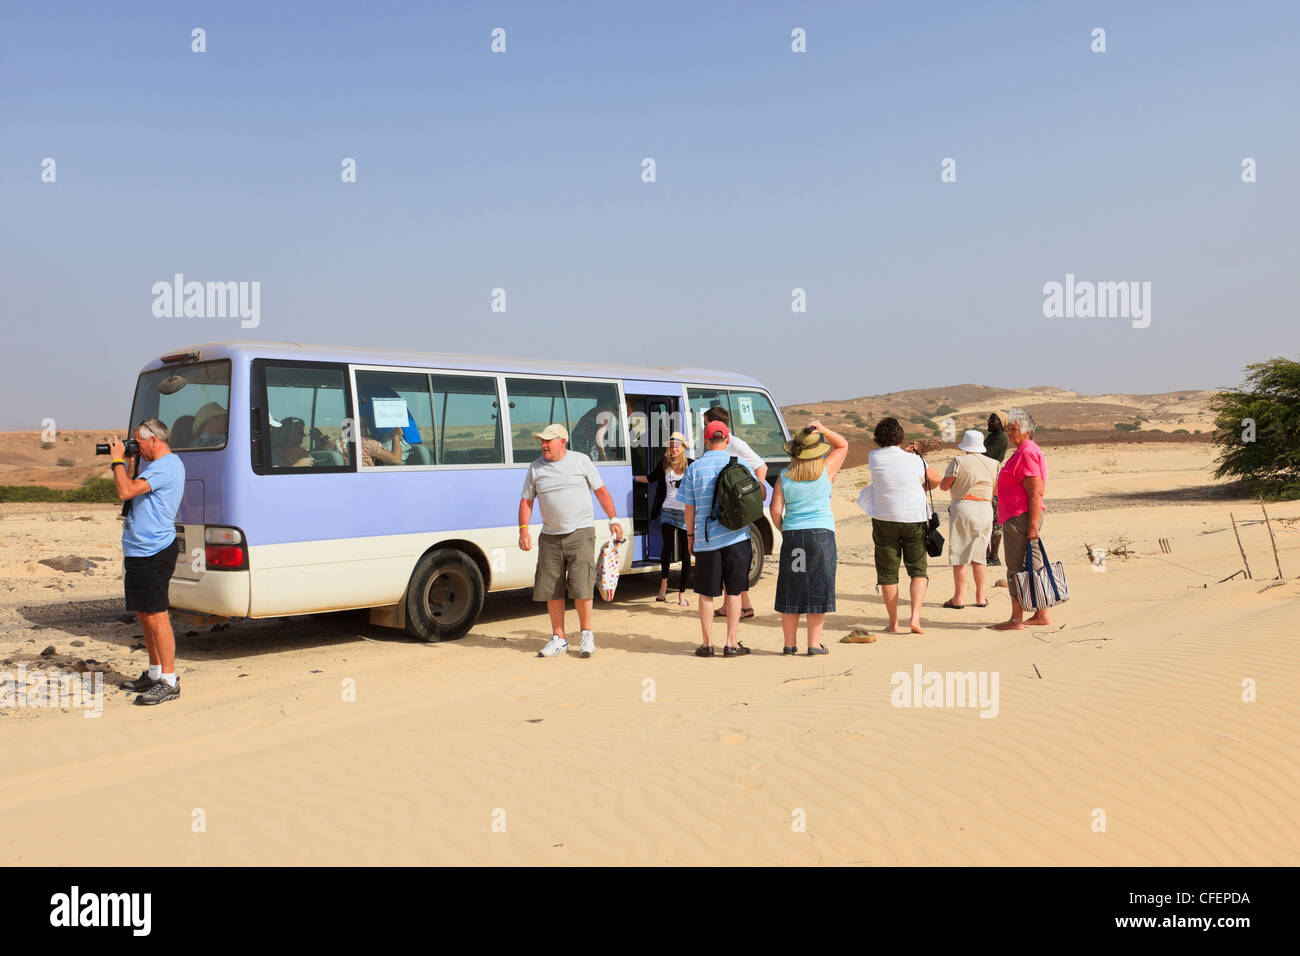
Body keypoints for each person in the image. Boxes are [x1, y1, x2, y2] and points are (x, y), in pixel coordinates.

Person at [518, 424, 623, 658]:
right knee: (551, 589)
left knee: (582, 586)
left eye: (548, 441)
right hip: (550, 537)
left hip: (580, 533)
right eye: (542, 441)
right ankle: (559, 639)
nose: (544, 445)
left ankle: (586, 634)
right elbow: (527, 501)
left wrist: (613, 519)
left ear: (562, 441)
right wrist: (523, 530)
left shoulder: (581, 461)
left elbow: (601, 492)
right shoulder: (535, 467)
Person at [107, 419, 186, 705]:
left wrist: (116, 460)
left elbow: (124, 492)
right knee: (145, 614)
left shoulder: (166, 465)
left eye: (139, 444)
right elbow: (130, 491)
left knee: (157, 614)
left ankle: (169, 681)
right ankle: (154, 674)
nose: (137, 449)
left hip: (154, 550)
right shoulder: (154, 466)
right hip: (140, 549)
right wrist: (128, 464)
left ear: (154, 440)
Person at [769, 421, 848, 655]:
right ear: (817, 450)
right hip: (821, 536)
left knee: (792, 587)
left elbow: (775, 511)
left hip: (794, 536)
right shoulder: (827, 470)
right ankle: (813, 644)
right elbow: (842, 445)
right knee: (817, 587)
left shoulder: (784, 476)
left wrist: (785, 530)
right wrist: (823, 428)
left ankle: (789, 644)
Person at [679, 420, 756, 657]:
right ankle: (731, 643)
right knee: (733, 592)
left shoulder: (694, 468)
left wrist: (690, 536)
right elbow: (757, 494)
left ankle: (707, 644)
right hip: (737, 538)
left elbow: (689, 508)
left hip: (706, 540)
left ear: (705, 439)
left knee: (707, 593)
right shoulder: (740, 464)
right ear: (728, 438)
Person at [860, 418, 942, 634]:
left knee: (888, 572)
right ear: (901, 437)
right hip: (914, 516)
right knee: (917, 569)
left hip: (884, 517)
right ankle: (915, 617)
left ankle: (893, 622)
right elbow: (936, 480)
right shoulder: (914, 460)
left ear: (877, 439)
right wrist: (919, 484)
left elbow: (891, 462)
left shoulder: (874, 457)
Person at [702, 405, 766, 620]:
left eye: (705, 423)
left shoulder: (735, 443)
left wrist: (754, 490)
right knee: (729, 561)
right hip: (722, 507)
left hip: (734, 509)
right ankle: (740, 605)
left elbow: (761, 465)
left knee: (732, 560)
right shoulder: (715, 446)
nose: (704, 428)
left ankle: (740, 606)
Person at [990, 407, 1051, 631]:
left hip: (1020, 517)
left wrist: (1033, 525)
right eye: (1009, 429)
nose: (1010, 433)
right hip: (1021, 516)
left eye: (1014, 429)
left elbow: (1036, 491)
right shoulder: (1027, 450)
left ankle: (1016, 618)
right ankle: (1040, 613)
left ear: (1027, 431)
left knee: (1015, 567)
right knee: (1032, 564)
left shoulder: (1025, 453)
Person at [939, 430, 998, 609]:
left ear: (965, 445)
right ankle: (980, 597)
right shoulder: (994, 463)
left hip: (963, 506)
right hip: (985, 508)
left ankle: (959, 598)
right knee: (980, 555)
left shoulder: (959, 461)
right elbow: (995, 490)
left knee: (960, 554)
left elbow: (944, 486)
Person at [634, 431, 693, 605]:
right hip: (667, 510)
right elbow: (650, 478)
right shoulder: (664, 464)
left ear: (683, 448)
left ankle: (682, 594)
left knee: (685, 553)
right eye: (671, 445)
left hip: (684, 513)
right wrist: (630, 477)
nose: (673, 448)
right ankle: (663, 587)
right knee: (666, 549)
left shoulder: (691, 465)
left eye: (676, 445)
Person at [983, 411, 1010, 565]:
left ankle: (994, 556)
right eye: (990, 419)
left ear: (1001, 423)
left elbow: (986, 455)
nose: (989, 422)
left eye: (993, 420)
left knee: (994, 519)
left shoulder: (1001, 438)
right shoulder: (991, 437)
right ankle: (986, 555)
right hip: (986, 476)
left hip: (993, 477)